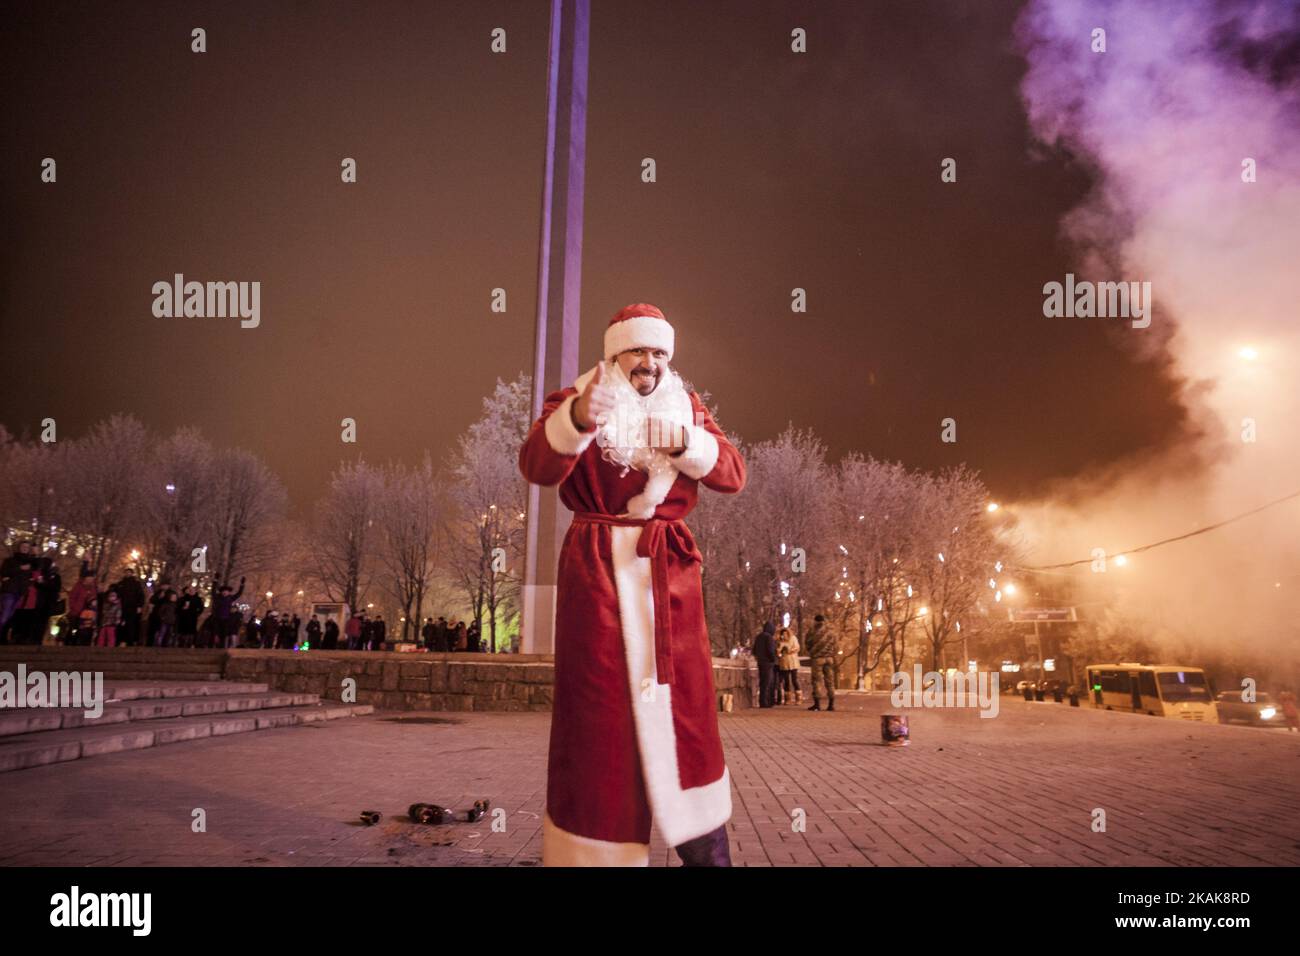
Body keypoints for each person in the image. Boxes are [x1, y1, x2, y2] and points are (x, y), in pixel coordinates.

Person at [518, 302, 746, 866]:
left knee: (686, 718)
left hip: (670, 577)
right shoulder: (578, 394)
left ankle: (705, 851)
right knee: (599, 721)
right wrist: (575, 418)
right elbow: (536, 467)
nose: (650, 363)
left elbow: (734, 475)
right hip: (597, 574)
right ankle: (593, 851)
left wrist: (688, 444)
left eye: (660, 353)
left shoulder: (686, 404)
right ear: (616, 353)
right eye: (639, 351)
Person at [0, 542, 37, 643]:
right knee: (5, 615)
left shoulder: (29, 562)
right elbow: (4, 572)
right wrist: (20, 568)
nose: (25, 549)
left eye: (27, 547)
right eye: (23, 547)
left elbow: (33, 573)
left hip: (20, 593)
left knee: (10, 615)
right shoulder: (10, 561)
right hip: (9, 591)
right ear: (19, 548)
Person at [803, 614, 836, 712]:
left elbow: (807, 643)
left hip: (817, 659)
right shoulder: (831, 631)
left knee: (817, 681)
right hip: (829, 658)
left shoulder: (812, 631)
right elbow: (836, 645)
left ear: (815, 621)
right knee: (830, 681)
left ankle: (817, 704)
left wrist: (812, 652)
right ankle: (831, 704)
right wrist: (831, 653)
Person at [113, 568, 146, 646]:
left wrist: (139, 606)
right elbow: (117, 594)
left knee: (131, 624)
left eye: (129, 572)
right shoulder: (121, 584)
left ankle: (130, 640)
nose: (127, 574)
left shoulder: (136, 584)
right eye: (126, 572)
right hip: (122, 607)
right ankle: (120, 640)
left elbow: (140, 595)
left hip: (132, 607)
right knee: (121, 623)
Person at [211, 578, 245, 648]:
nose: (225, 592)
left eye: (226, 591)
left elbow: (239, 593)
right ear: (221, 592)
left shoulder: (230, 598)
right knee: (215, 634)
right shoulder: (217, 597)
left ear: (229, 592)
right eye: (223, 591)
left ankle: (222, 648)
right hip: (217, 618)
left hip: (226, 619)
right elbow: (213, 591)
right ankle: (213, 647)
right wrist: (215, 581)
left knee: (224, 634)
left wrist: (242, 585)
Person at [752, 621, 778, 708]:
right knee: (768, 683)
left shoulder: (758, 637)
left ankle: (762, 701)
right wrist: (773, 659)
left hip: (760, 662)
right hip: (768, 663)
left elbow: (754, 650)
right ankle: (766, 702)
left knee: (762, 682)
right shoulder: (769, 637)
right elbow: (770, 650)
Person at [776, 626, 802, 705]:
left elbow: (797, 648)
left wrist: (790, 650)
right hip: (784, 663)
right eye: (783, 634)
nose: (784, 635)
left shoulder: (793, 638)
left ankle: (798, 698)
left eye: (786, 634)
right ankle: (788, 699)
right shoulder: (779, 641)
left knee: (795, 680)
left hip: (793, 662)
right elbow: (778, 651)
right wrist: (780, 651)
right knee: (786, 681)